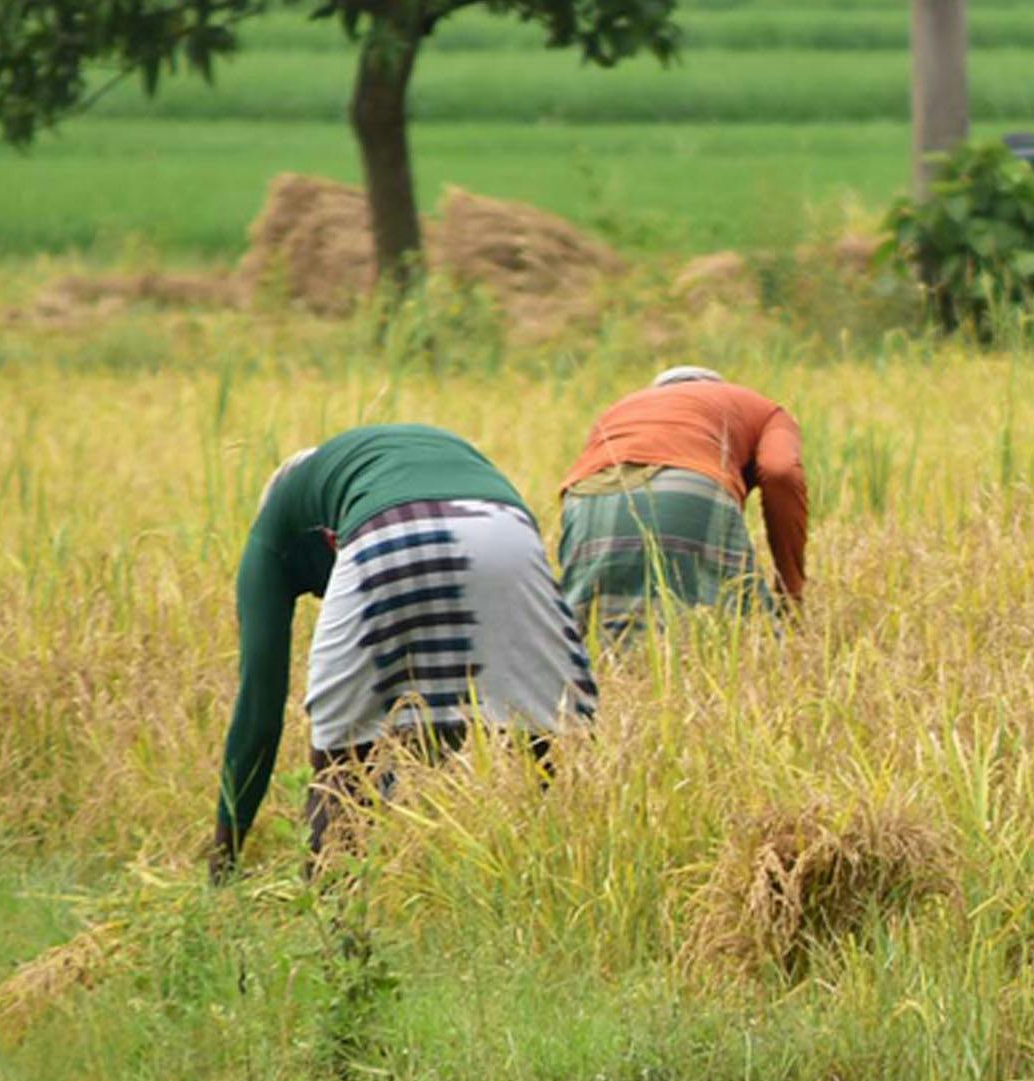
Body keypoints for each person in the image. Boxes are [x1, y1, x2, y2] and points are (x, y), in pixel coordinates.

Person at [212, 425, 597, 872]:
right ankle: (558, 880)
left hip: (386, 534)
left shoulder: (274, 527)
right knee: (548, 734)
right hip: (508, 533)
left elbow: (259, 708)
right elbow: (451, 697)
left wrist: (226, 852)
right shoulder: (400, 458)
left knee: (341, 766)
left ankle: (337, 919)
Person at [555, 366, 807, 640]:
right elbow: (781, 471)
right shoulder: (764, 409)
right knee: (738, 634)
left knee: (594, 635)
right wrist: (790, 591)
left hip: (586, 500)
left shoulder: (620, 409)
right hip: (687, 486)